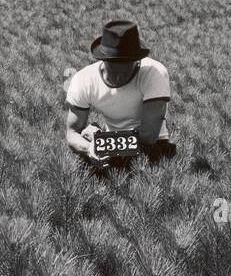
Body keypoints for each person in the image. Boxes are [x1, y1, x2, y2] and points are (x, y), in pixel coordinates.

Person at [65, 19, 176, 169]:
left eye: (125, 71)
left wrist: (101, 140)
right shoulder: (83, 80)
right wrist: (89, 147)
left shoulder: (154, 73)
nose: (119, 78)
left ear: (137, 61)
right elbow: (72, 133)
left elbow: (148, 136)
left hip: (151, 147)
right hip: (110, 145)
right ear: (103, 61)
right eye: (114, 72)